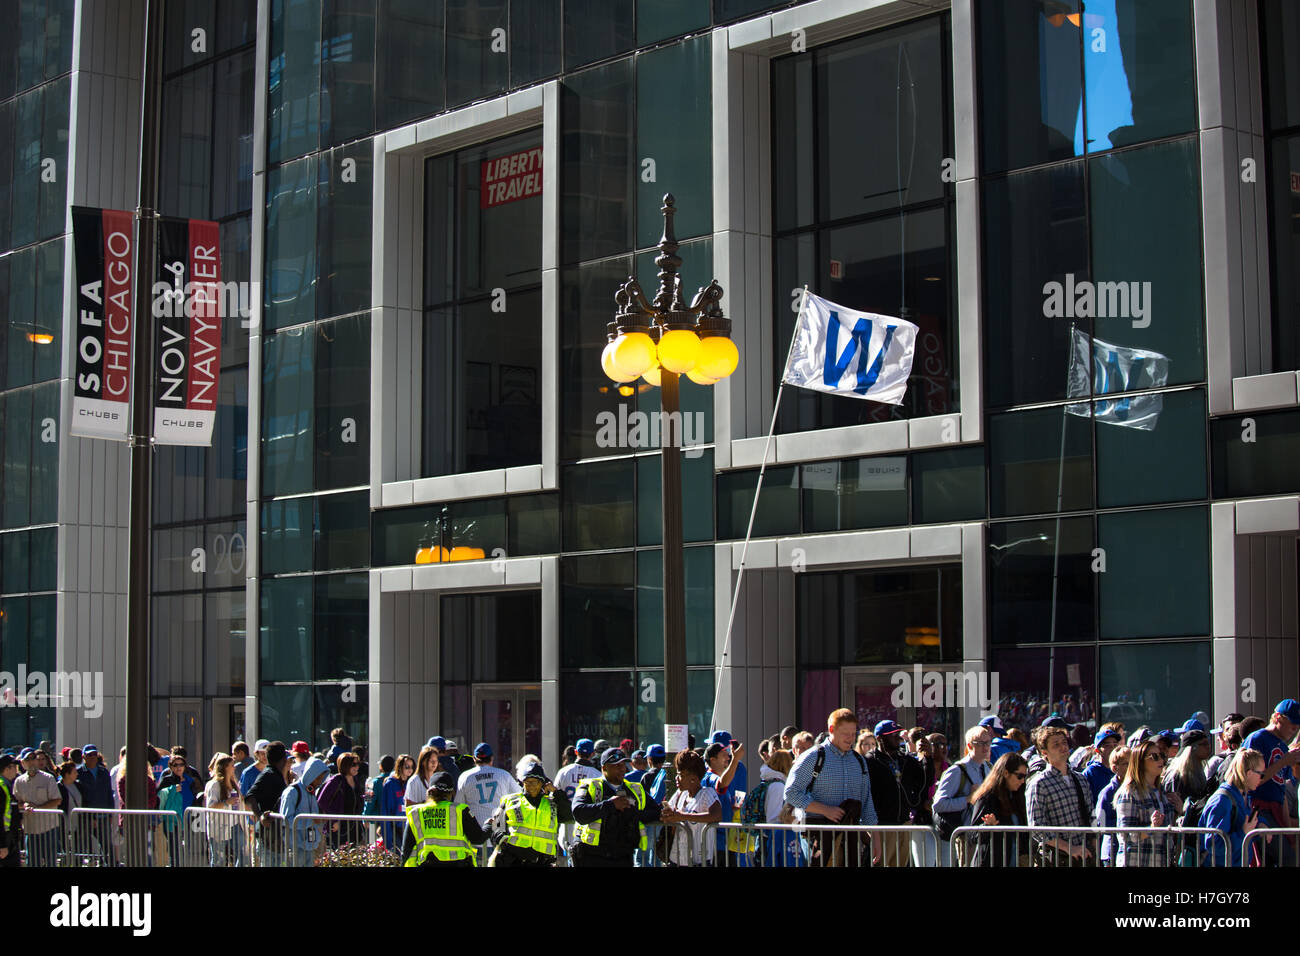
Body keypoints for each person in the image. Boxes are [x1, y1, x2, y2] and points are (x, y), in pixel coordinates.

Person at [782, 708, 878, 867]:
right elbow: (791, 793)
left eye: (853, 734)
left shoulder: (859, 762)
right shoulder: (813, 757)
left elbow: (867, 802)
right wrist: (825, 810)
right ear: (831, 730)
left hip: (851, 844)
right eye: (845, 733)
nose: (850, 739)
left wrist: (876, 840)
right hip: (819, 841)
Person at [570, 748, 663, 867]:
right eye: (616, 765)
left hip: (623, 857)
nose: (622, 769)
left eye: (623, 764)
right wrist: (610, 805)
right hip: (593, 857)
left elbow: (654, 811)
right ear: (604, 768)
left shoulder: (635, 789)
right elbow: (578, 812)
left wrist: (635, 813)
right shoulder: (590, 786)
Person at [1024, 724, 1092, 866]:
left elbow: (1091, 816)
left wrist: (1094, 846)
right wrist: (1069, 848)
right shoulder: (1039, 783)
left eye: (1064, 742)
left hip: (1084, 855)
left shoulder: (1080, 779)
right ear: (1044, 753)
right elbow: (1037, 828)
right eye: (1056, 745)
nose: (1063, 747)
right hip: (1055, 858)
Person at [865, 720, 926, 866]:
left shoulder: (905, 759)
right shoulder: (870, 761)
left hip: (903, 823)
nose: (897, 738)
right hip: (882, 825)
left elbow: (924, 781)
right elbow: (865, 795)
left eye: (898, 734)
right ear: (880, 738)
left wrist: (926, 758)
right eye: (892, 735)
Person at [489, 762, 572, 867]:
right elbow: (496, 827)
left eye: (535, 782)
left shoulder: (552, 804)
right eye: (527, 782)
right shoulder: (509, 800)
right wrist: (502, 838)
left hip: (543, 861)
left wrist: (556, 792)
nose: (531, 786)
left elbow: (569, 816)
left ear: (542, 783)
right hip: (514, 860)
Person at [933, 726, 993, 867]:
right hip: (967, 835)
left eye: (988, 742)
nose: (986, 747)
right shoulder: (956, 771)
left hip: (986, 834)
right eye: (980, 743)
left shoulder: (989, 767)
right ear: (970, 746)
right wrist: (968, 799)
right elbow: (938, 804)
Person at [401, 770, 487, 867]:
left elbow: (406, 850)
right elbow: (477, 838)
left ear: (429, 791)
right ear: (451, 792)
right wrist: (489, 826)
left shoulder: (416, 813)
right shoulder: (461, 810)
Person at [1114, 738, 1176, 868]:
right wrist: (1151, 828)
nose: (1161, 760)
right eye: (1154, 756)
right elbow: (1125, 835)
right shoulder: (1129, 792)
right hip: (1137, 862)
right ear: (1140, 763)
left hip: (1160, 860)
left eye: (1161, 756)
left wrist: (1180, 810)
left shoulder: (1161, 792)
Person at [1243, 699, 1300, 838]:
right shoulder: (1257, 738)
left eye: (1297, 725)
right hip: (1258, 808)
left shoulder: (1283, 747)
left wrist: (1287, 827)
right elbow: (1249, 780)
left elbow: (1282, 792)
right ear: (1277, 717)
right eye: (1292, 724)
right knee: (1284, 856)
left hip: (1277, 809)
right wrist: (1283, 762)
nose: (1295, 729)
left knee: (1288, 856)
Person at [1199, 748, 1263, 867]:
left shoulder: (1242, 796)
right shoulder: (1221, 801)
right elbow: (1214, 844)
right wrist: (1243, 833)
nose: (1262, 778)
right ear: (1249, 773)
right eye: (1261, 774)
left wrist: (1260, 825)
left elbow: (1245, 820)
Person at [660, 750, 721, 866]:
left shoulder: (707, 793)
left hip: (699, 860)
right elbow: (669, 813)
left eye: (681, 775)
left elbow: (717, 815)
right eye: (677, 774)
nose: (677, 779)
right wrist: (667, 816)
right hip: (676, 859)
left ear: (693, 778)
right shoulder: (679, 794)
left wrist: (682, 816)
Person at [968, 753, 1029, 867]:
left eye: (1025, 777)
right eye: (1019, 776)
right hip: (991, 861)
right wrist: (987, 826)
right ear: (1006, 773)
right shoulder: (987, 797)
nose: (1022, 781)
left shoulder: (1017, 796)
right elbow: (972, 835)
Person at [554, 738, 601, 859]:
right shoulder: (597, 775)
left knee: (569, 858)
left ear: (576, 752)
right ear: (592, 754)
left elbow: (554, 796)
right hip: (587, 827)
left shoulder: (563, 772)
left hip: (567, 825)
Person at [244, 741, 290, 867]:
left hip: (277, 838)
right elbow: (250, 796)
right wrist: (261, 816)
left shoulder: (277, 774)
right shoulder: (268, 774)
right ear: (283, 759)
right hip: (268, 837)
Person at [454, 743, 520, 828]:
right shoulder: (504, 775)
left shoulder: (465, 777)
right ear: (492, 758)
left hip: (476, 829)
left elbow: (458, 805)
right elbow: (519, 796)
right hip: (498, 828)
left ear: (474, 759)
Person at [702, 739, 746, 865]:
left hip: (726, 839)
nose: (728, 757)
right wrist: (735, 760)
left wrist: (733, 808)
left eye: (729, 754)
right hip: (716, 841)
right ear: (713, 760)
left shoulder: (735, 770)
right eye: (724, 755)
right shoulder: (710, 777)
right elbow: (721, 784)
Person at [14, 748, 61, 866]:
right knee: (33, 862)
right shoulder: (19, 781)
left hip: (48, 827)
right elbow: (16, 802)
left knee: (50, 862)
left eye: (33, 758)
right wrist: (24, 805)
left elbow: (57, 800)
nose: (31, 762)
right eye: (27, 759)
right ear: (22, 763)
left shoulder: (48, 778)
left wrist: (38, 807)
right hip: (31, 829)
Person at [278, 757, 328, 866]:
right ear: (310, 775)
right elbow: (286, 820)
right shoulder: (292, 792)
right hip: (295, 847)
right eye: (318, 778)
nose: (319, 782)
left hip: (310, 847)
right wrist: (312, 821)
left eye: (321, 778)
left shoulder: (311, 792)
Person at [758, 748, 799, 867]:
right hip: (772, 839)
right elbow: (773, 818)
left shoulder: (772, 782)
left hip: (773, 838)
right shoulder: (777, 786)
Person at [204, 753, 243, 867]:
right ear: (225, 767)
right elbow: (210, 806)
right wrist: (226, 802)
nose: (234, 767)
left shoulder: (233, 783)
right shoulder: (214, 785)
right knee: (218, 859)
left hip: (235, 823)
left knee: (243, 854)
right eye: (232, 765)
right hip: (219, 826)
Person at [1095, 745, 1131, 866]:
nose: (1131, 767)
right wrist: (1124, 824)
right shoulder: (1107, 792)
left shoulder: (1135, 789)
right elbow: (1101, 823)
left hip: (1129, 850)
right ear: (1115, 768)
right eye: (1126, 764)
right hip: (1112, 850)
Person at [317, 753, 362, 847]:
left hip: (354, 826)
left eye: (358, 763)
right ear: (345, 765)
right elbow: (321, 801)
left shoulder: (356, 780)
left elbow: (357, 799)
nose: (357, 767)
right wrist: (334, 820)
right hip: (339, 828)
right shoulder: (336, 780)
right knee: (341, 858)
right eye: (353, 764)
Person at [378, 754, 412, 852]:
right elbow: (385, 811)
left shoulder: (411, 783)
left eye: (412, 767)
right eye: (407, 766)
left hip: (407, 828)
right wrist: (388, 840)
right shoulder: (390, 784)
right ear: (399, 767)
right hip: (394, 829)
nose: (410, 769)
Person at [0, 755, 20, 867]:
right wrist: (2, 844)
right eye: (14, 767)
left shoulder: (6, 784)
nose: (16, 770)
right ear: (7, 769)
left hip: (8, 837)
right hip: (5, 838)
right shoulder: (2, 786)